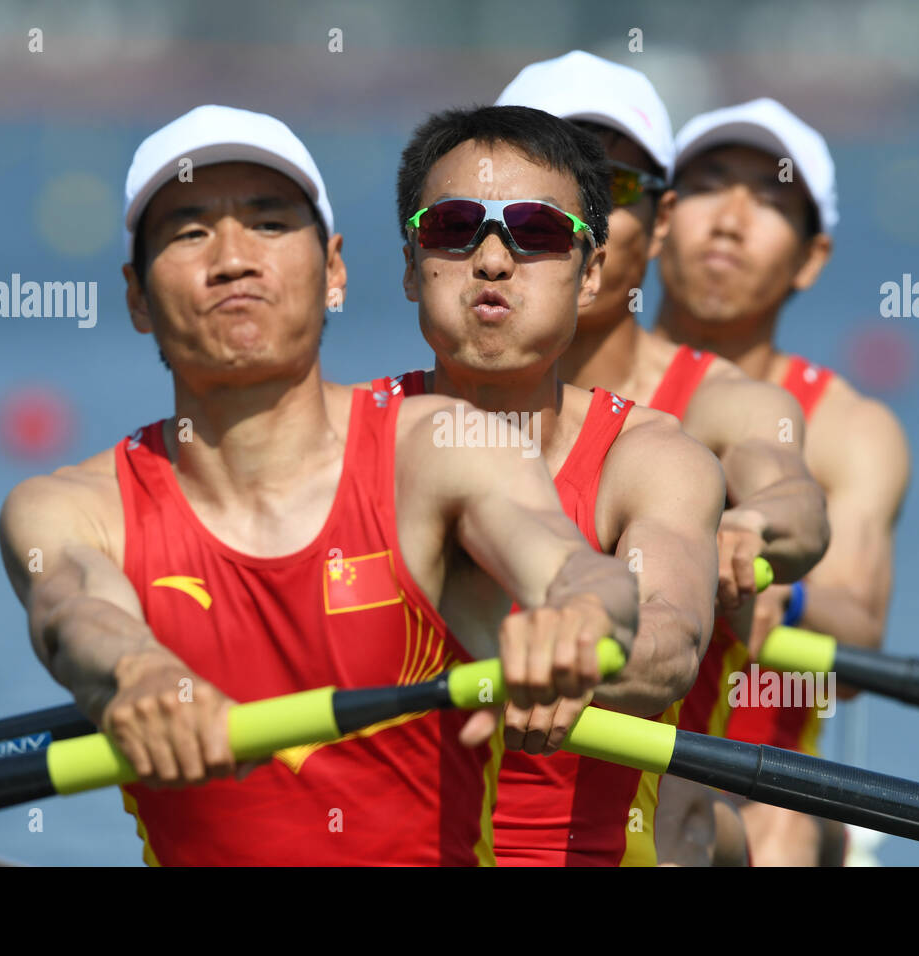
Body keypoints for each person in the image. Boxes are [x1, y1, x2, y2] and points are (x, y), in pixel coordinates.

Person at [0, 104, 640, 866]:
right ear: (137, 295)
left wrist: (578, 613)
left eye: (269, 224)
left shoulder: (439, 451)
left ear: (334, 270)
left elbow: (572, 564)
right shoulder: (68, 508)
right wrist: (138, 672)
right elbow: (73, 610)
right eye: (190, 230)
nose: (233, 258)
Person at [497, 52, 831, 865]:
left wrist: (753, 524)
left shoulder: (720, 407)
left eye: (606, 188)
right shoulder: (403, 417)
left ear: (663, 217)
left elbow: (792, 495)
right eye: (542, 185)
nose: (574, 217)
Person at [377, 101, 725, 866]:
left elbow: (671, 638)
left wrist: (583, 649)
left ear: (592, 272)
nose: (493, 261)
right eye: (452, 227)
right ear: (410, 265)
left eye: (535, 232)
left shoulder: (653, 459)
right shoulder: (344, 443)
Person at [655, 98, 911, 866]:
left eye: (770, 201)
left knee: (780, 825)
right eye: (709, 186)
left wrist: (786, 591)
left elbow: (861, 629)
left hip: (761, 791)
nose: (731, 220)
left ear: (811, 258)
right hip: (597, 756)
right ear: (664, 216)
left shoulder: (850, 427)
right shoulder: (587, 379)